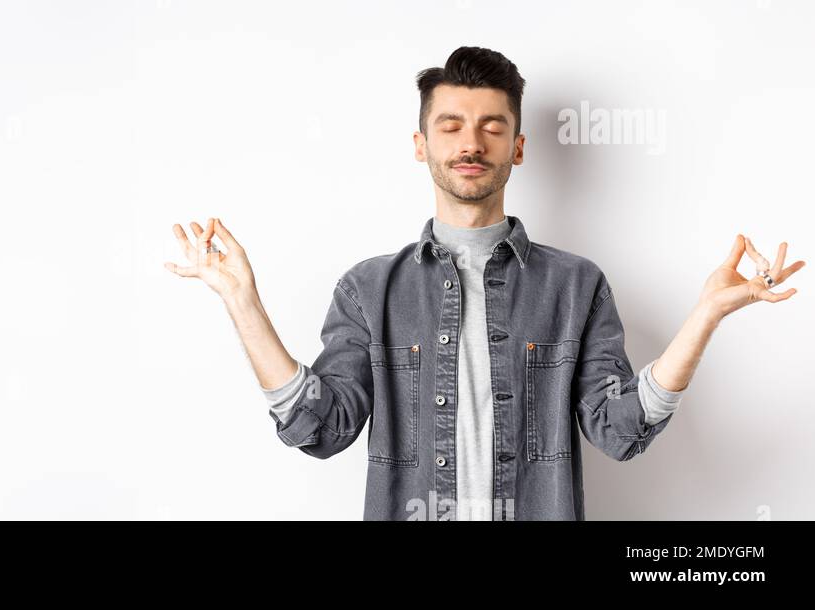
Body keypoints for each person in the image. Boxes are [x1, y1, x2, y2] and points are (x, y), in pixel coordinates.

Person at [164, 46, 803, 520]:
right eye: (451, 125)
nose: (471, 142)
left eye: (492, 126)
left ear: (518, 147)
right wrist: (242, 302)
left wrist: (706, 316)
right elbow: (321, 430)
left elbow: (618, 431)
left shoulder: (577, 286)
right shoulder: (368, 289)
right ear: (421, 144)